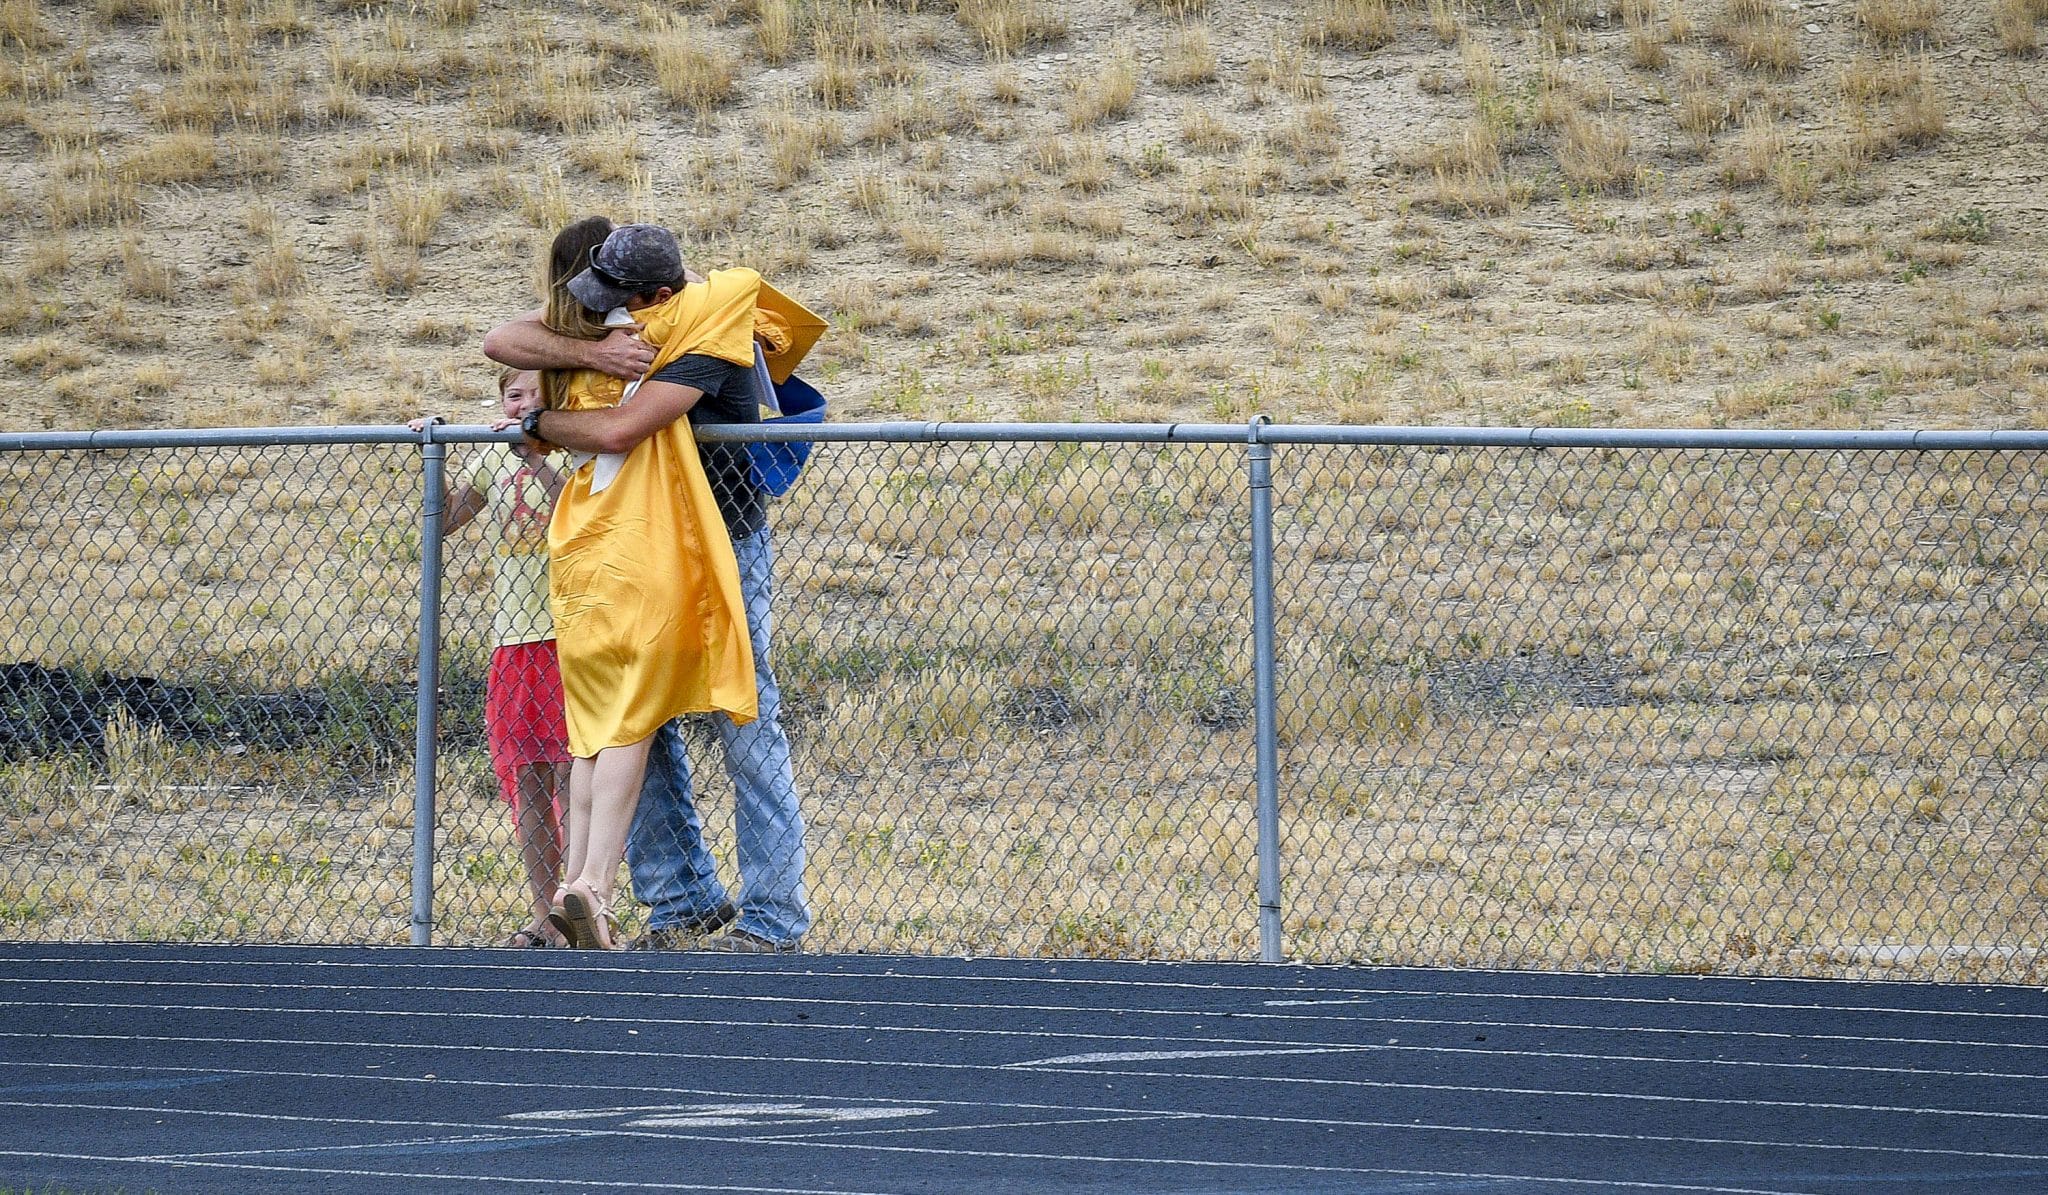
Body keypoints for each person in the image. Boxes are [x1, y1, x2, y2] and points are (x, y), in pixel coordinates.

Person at [483, 226, 812, 954]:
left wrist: (540, 421)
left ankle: (773, 915)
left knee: (746, 721)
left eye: (620, 303)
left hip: (722, 538)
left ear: (660, 295)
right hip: (640, 546)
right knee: (636, 722)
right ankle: (680, 899)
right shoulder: (616, 329)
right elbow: (502, 339)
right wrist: (590, 351)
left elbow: (626, 426)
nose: (610, 317)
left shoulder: (710, 312)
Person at [408, 368, 571, 948]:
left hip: (571, 636)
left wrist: (536, 458)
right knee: (525, 776)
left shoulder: (579, 449)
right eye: (513, 396)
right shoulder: (491, 458)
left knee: (573, 777)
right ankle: (542, 916)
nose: (522, 405)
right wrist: (433, 452)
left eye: (535, 396)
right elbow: (445, 522)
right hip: (513, 639)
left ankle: (577, 909)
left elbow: (578, 519)